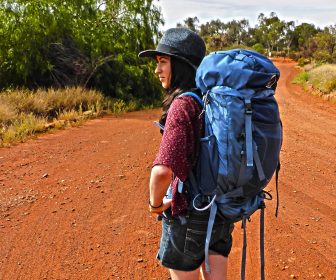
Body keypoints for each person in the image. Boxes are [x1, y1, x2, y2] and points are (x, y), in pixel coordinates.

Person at [139, 28, 233, 280]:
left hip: (188, 216)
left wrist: (155, 205)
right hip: (220, 211)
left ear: (180, 65)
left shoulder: (182, 105)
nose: (157, 70)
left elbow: (162, 171)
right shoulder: (212, 99)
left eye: (162, 62)